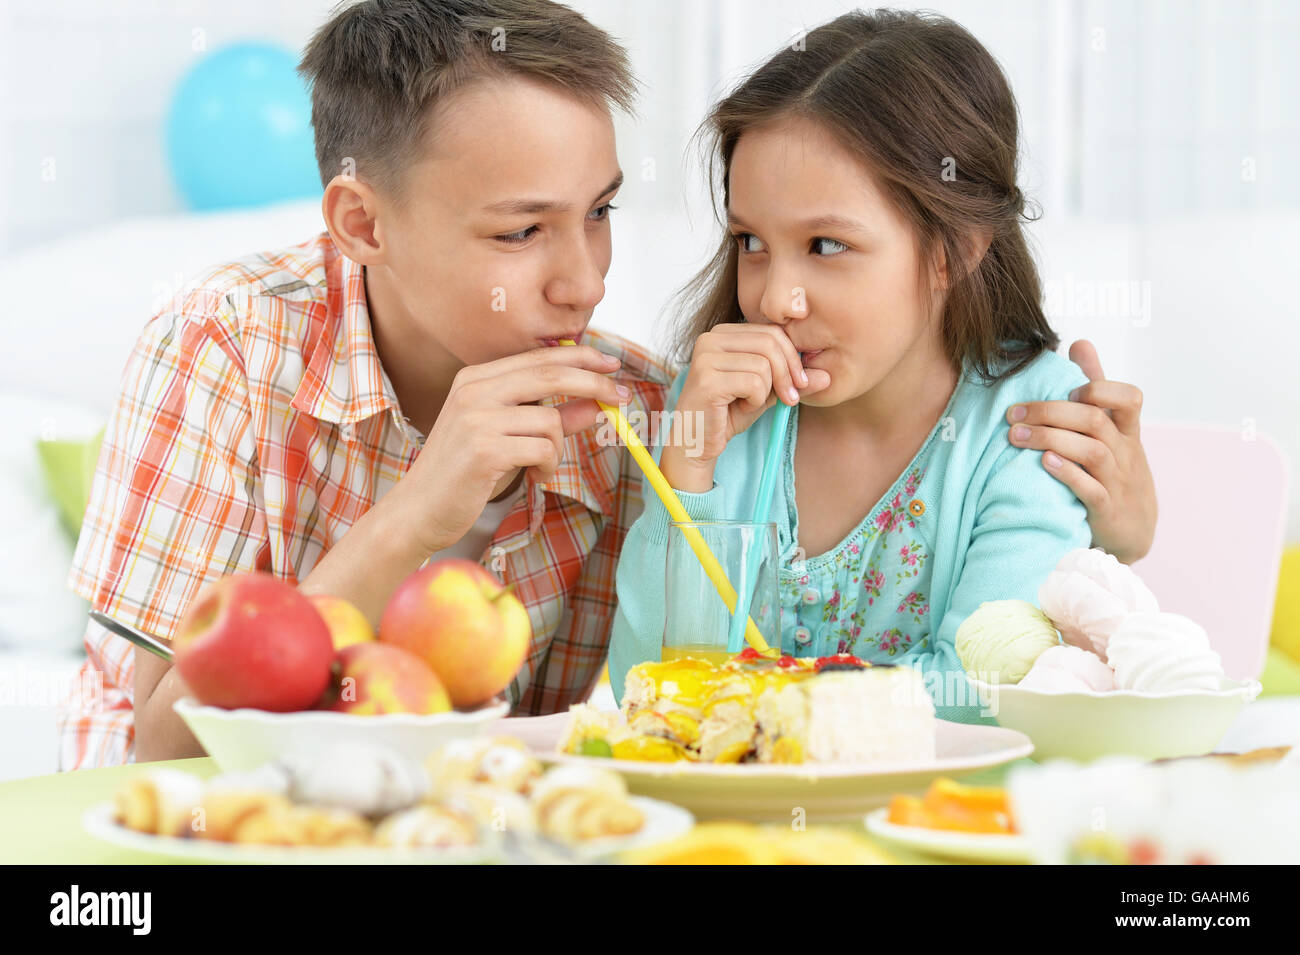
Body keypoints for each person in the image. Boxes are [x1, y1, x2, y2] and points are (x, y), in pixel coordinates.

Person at [62, 1, 1156, 768]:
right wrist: (419, 512)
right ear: (363, 224)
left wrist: (1135, 532)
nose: (584, 278)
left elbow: (631, 733)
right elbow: (158, 752)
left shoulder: (635, 413)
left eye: (599, 214)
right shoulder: (229, 348)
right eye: (521, 229)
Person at [609, 9, 1151, 721]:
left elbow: (979, 691)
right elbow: (644, 690)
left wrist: (751, 699)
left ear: (955, 248)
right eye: (751, 240)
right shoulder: (721, 410)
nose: (774, 298)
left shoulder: (1031, 428)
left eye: (827, 245)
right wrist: (689, 472)